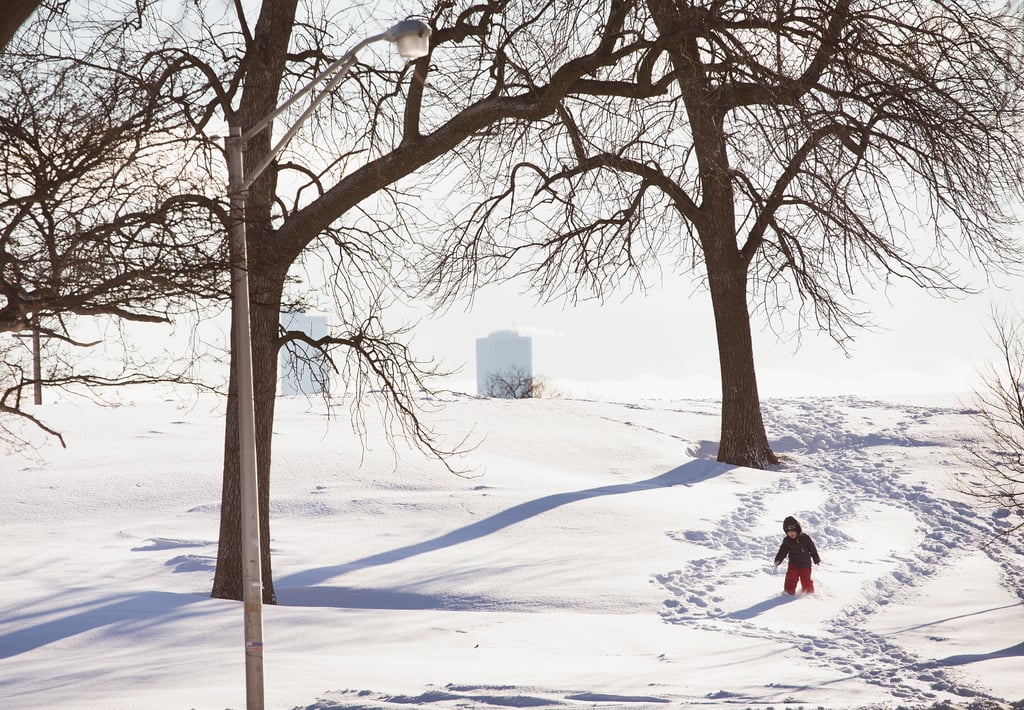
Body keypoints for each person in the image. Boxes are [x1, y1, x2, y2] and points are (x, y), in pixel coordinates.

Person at [774, 515, 821, 595]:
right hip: (793, 564)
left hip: (806, 564)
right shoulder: (787, 541)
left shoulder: (805, 538)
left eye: (793, 531)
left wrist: (816, 559)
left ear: (797, 529)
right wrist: (778, 559)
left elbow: (812, 549)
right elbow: (782, 551)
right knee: (790, 579)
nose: (791, 533)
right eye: (789, 532)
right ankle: (788, 593)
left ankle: (808, 593)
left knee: (806, 580)